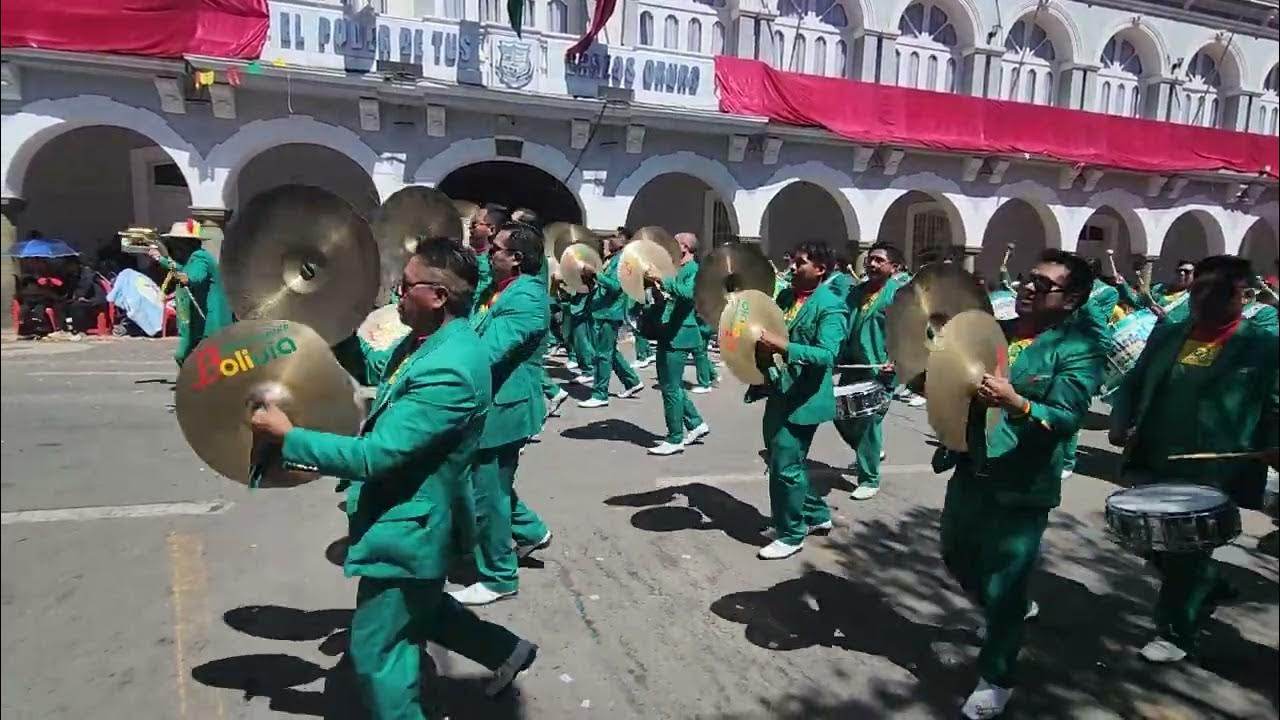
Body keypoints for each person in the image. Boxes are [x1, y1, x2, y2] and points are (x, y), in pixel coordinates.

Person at [249, 239, 537, 719]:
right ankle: (506, 652)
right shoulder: (429, 341)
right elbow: (387, 373)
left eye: (405, 286)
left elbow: (376, 456)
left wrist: (289, 438)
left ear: (439, 296)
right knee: (420, 607)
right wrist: (332, 331)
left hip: (414, 526)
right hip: (414, 518)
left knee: (377, 649)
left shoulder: (452, 368)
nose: (395, 293)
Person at [934, 249, 1106, 719]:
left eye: (1043, 284)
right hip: (972, 465)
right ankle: (1005, 609)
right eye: (1028, 279)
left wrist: (1020, 404)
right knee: (955, 552)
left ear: (1071, 300)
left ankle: (996, 677)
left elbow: (1069, 418)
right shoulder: (999, 333)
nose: (1028, 288)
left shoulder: (1079, 349)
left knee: (1006, 583)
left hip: (1023, 482)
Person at [1109, 254, 1279, 664]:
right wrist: (1120, 419)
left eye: (1216, 291)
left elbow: (1276, 404)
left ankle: (1176, 631)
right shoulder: (1170, 331)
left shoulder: (1263, 345)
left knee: (1185, 551)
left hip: (1216, 467)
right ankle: (1210, 584)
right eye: (1198, 288)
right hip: (1154, 454)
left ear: (1243, 294)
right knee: (1148, 540)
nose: (1201, 298)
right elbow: (1133, 382)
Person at [451, 223, 555, 606]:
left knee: (486, 492)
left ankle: (498, 576)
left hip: (504, 409)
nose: (488, 252)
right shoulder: (498, 289)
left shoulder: (526, 298)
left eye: (495, 248)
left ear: (516, 259)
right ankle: (531, 531)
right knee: (494, 484)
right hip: (493, 405)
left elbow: (488, 351)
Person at [752, 242, 846, 559]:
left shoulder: (830, 306)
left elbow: (827, 354)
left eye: (801, 262)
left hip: (804, 399)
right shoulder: (786, 297)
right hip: (779, 390)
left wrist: (782, 346)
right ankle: (817, 515)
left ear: (820, 270)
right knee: (787, 462)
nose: (793, 267)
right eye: (793, 260)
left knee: (784, 466)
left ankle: (791, 533)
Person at [835, 242, 910, 500]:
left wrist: (897, 360)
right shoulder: (857, 292)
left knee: (867, 421)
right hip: (853, 365)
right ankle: (869, 452)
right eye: (870, 259)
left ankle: (869, 478)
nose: (872, 264)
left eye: (879, 260)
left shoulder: (900, 296)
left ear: (894, 267)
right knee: (839, 414)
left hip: (882, 370)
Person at [643, 232, 711, 455]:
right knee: (671, 385)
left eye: (674, 242)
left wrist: (662, 279)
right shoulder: (677, 268)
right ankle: (696, 423)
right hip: (668, 331)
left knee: (670, 388)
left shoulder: (695, 271)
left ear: (684, 247)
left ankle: (675, 438)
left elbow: (689, 294)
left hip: (680, 334)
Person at [1059, 257, 1120, 479]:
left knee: (1071, 411)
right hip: (1055, 356)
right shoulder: (1061, 294)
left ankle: (1067, 461)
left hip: (1078, 361)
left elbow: (1102, 336)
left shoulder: (1102, 296)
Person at [149, 220, 233, 366]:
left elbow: (196, 275)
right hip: (200, 318)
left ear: (185, 243)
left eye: (175, 242)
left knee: (188, 355)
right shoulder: (192, 258)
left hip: (209, 319)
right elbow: (182, 268)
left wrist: (187, 279)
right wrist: (160, 258)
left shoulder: (199, 257)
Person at [577, 228, 644, 408]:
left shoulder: (623, 261)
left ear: (624, 241)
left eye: (614, 237)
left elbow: (616, 286)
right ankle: (631, 381)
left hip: (609, 312)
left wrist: (596, 274)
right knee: (610, 351)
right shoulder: (613, 259)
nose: (609, 240)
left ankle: (600, 393)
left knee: (602, 355)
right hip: (602, 310)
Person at [469, 204, 509, 314]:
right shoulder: (470, 254)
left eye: (475, 224)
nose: (470, 228)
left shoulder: (492, 263)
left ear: (491, 230)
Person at [67, 258, 109, 332]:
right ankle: (69, 327)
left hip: (95, 299)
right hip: (85, 299)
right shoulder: (74, 275)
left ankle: (80, 329)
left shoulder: (87, 272)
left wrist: (80, 296)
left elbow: (86, 286)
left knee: (76, 307)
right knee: (65, 306)